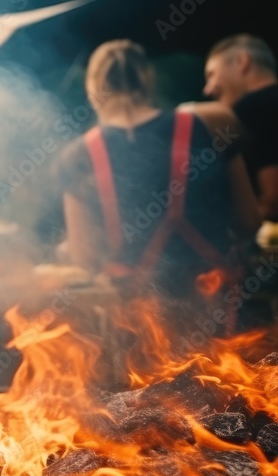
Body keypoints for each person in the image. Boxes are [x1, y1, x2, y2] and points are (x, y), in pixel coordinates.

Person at [59, 40, 260, 320]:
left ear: (93, 94)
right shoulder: (216, 124)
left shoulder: (78, 155)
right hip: (216, 309)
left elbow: (85, 257)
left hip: (140, 324)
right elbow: (249, 220)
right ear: (148, 81)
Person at [203, 34, 278, 220]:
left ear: (242, 61)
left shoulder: (250, 108)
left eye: (212, 74)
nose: (208, 89)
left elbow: (273, 198)